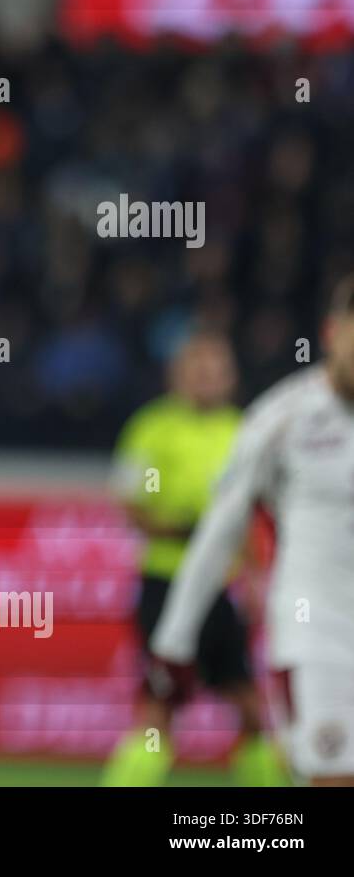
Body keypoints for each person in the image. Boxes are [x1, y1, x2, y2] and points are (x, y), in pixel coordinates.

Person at [149, 275, 354, 786]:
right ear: (332, 333)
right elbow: (220, 532)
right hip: (318, 635)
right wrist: (175, 641)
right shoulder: (280, 420)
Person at [101, 331, 286, 786]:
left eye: (215, 368)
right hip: (166, 583)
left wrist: (254, 577)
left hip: (219, 591)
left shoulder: (244, 429)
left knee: (249, 708)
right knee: (158, 708)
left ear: (230, 377)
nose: (206, 378)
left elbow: (248, 516)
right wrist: (196, 529)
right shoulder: (152, 426)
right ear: (177, 374)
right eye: (197, 368)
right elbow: (133, 506)